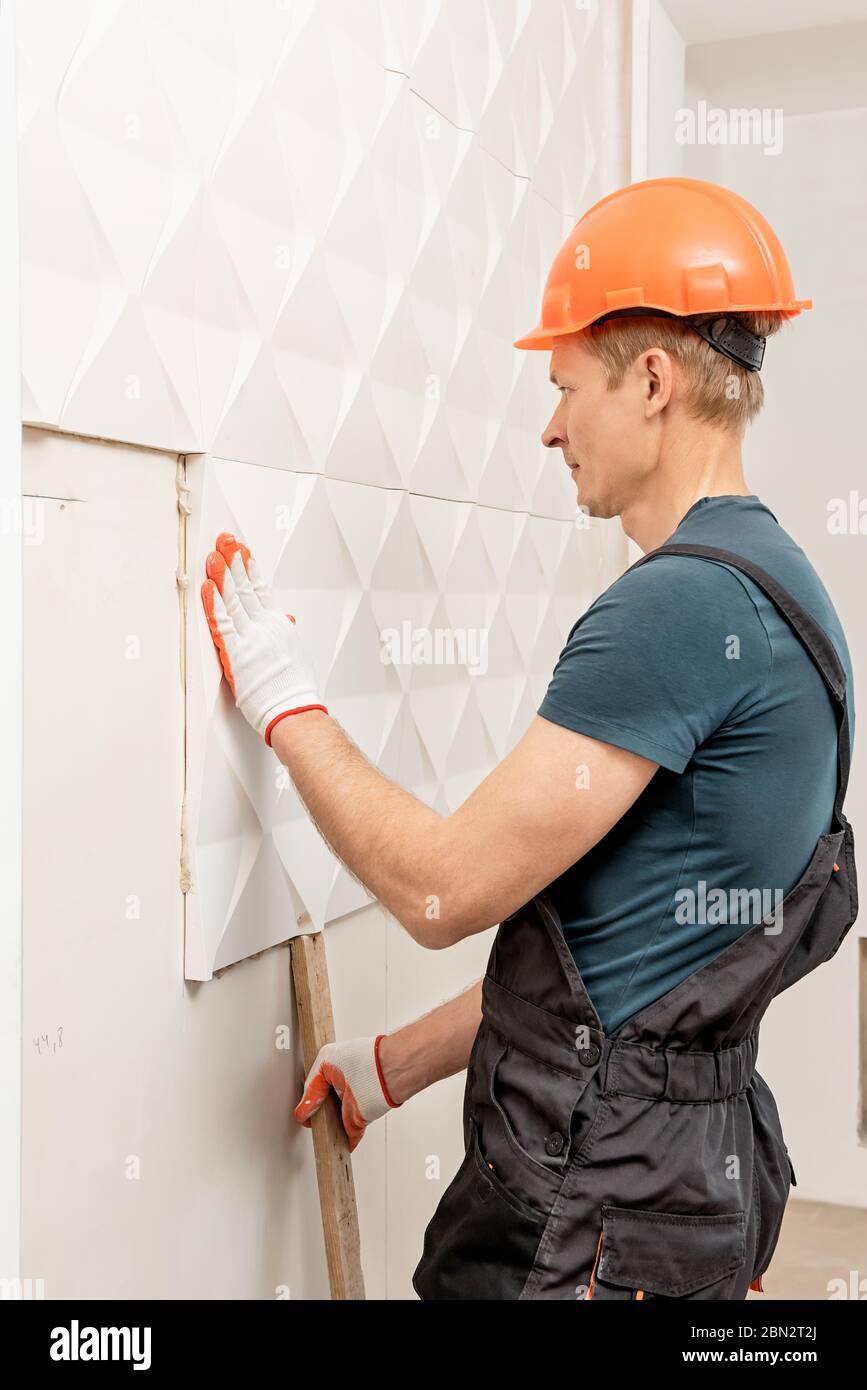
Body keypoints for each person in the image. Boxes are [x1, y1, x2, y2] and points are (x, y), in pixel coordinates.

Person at [201, 178, 857, 1300]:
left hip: (590, 1222)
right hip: (694, 1189)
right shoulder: (792, 595)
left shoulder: (677, 610)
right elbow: (623, 971)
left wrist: (282, 700)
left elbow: (442, 892)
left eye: (565, 388)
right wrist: (394, 1066)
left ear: (651, 379)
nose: (550, 426)